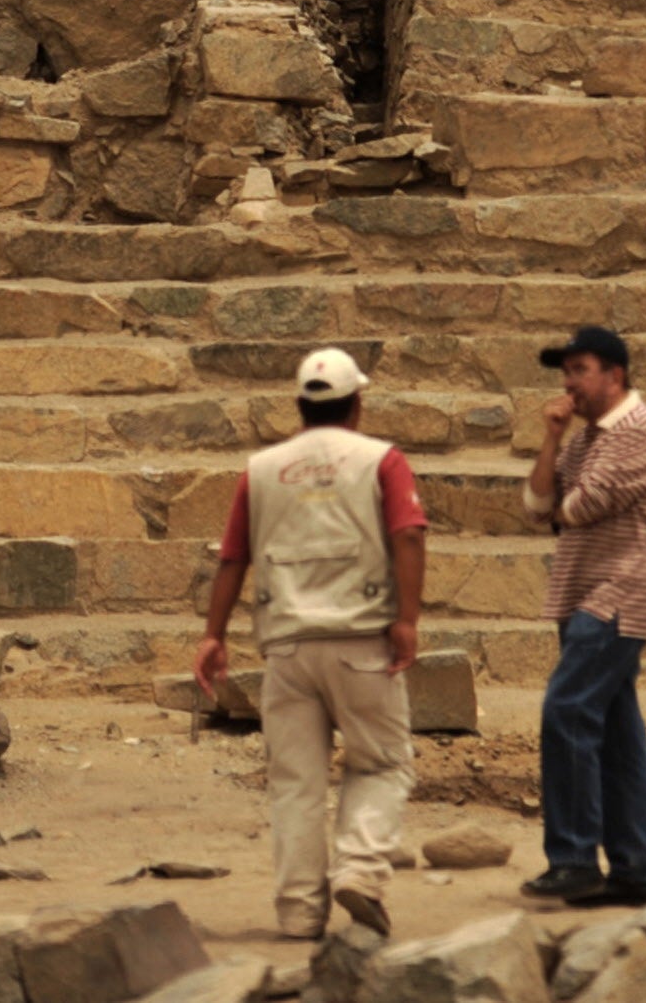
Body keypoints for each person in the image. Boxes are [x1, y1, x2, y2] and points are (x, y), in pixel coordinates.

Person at [192, 347, 428, 943]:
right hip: (362, 641)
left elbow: (233, 558)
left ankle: (299, 913)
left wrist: (213, 636)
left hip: (288, 647)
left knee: (295, 782)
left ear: (299, 404)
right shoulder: (382, 461)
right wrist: (407, 619)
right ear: (357, 404)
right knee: (382, 762)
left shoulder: (261, 469)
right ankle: (360, 871)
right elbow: (408, 536)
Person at [517, 324, 646, 911]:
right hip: (582, 596)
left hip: (617, 599)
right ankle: (635, 871)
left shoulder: (640, 429)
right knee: (616, 734)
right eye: (566, 372)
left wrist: (560, 502)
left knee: (566, 711)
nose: (569, 383)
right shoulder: (586, 439)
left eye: (580, 370)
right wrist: (551, 438)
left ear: (616, 374)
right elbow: (537, 507)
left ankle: (575, 859)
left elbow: (579, 507)